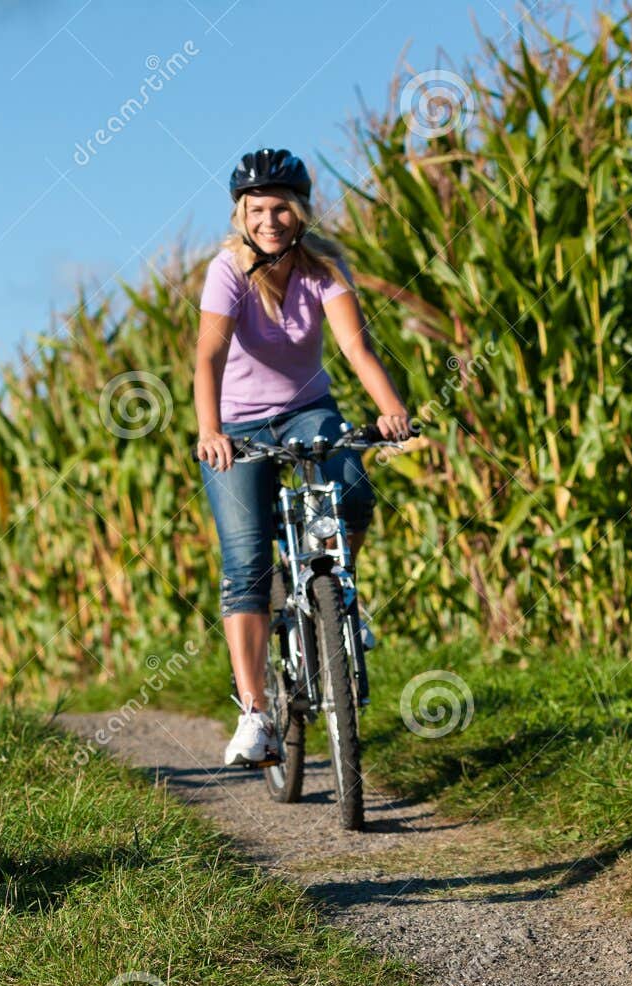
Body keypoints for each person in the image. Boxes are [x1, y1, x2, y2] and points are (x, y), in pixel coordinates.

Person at [194, 148, 411, 768]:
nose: (270, 220)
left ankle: (340, 594)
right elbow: (208, 356)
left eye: (281, 207)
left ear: (301, 211)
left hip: (308, 408)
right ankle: (256, 715)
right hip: (236, 423)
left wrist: (391, 411)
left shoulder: (323, 270)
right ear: (242, 213)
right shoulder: (227, 271)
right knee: (246, 565)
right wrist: (211, 430)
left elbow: (356, 349)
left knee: (356, 491)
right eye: (257, 209)